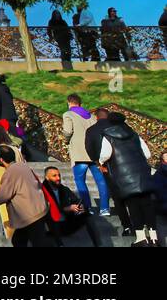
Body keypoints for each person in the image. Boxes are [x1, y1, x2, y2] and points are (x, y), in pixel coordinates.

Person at [97, 112, 158, 246]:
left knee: (134, 207)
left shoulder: (107, 136)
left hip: (125, 178)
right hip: (142, 175)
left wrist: (101, 163)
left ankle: (141, 239)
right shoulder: (134, 134)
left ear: (110, 122)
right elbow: (147, 154)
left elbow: (104, 156)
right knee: (148, 206)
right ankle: (154, 238)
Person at [0, 146, 54, 246]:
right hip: (38, 209)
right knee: (18, 241)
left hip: (29, 215)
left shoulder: (10, 173)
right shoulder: (23, 166)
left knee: (35, 243)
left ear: (1, 160)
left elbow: (1, 196)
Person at [62, 93, 109, 215]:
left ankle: (87, 208)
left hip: (79, 153)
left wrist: (66, 140)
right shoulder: (92, 117)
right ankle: (105, 208)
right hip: (94, 154)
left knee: (80, 181)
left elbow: (67, 131)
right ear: (80, 103)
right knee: (101, 181)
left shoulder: (68, 114)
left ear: (69, 103)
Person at [40, 166, 98, 246]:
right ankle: (60, 244)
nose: (58, 178)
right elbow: (44, 208)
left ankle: (98, 243)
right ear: (47, 178)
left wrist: (80, 207)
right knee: (50, 217)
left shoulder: (64, 189)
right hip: (51, 225)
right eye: (54, 176)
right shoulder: (41, 191)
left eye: (59, 175)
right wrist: (65, 209)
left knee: (87, 214)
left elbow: (76, 200)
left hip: (66, 223)